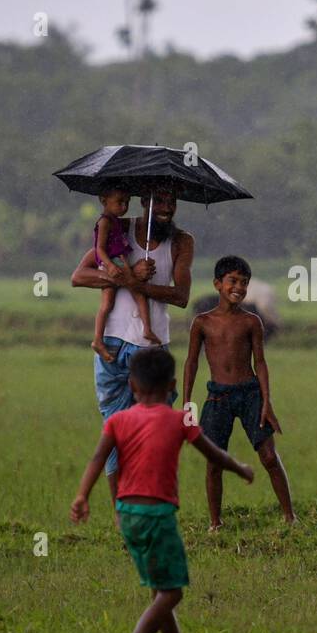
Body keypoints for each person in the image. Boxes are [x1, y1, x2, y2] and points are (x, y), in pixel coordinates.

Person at [70, 347, 254, 633]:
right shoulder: (180, 420)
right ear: (172, 387)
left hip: (127, 515)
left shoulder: (118, 420)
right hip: (158, 516)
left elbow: (99, 458)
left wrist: (82, 496)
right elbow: (213, 454)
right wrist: (241, 468)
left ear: (132, 385)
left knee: (159, 590)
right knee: (172, 592)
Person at [71, 185, 195, 504]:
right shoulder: (118, 227)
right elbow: (79, 276)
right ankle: (120, 512)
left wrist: (140, 283)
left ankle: (152, 501)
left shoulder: (182, 242)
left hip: (150, 347)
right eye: (160, 200)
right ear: (144, 202)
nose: (166, 207)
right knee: (114, 427)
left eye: (171, 201)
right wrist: (127, 277)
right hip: (113, 341)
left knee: (156, 432)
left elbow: (181, 296)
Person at [183, 255, 296, 530]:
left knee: (269, 455)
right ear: (217, 284)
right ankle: (215, 522)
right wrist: (186, 404)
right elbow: (192, 363)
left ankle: (290, 517)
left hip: (250, 393)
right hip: (217, 396)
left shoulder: (252, 322)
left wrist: (266, 402)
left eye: (244, 283)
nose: (239, 288)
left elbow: (260, 362)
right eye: (233, 281)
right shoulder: (202, 322)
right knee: (214, 461)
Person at [91, 186, 158, 364]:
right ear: (104, 201)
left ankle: (99, 339)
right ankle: (147, 329)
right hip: (114, 263)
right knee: (138, 292)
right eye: (119, 202)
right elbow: (99, 248)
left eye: (127, 202)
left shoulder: (116, 221)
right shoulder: (105, 222)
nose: (124, 207)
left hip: (120, 261)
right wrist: (110, 265)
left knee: (108, 304)